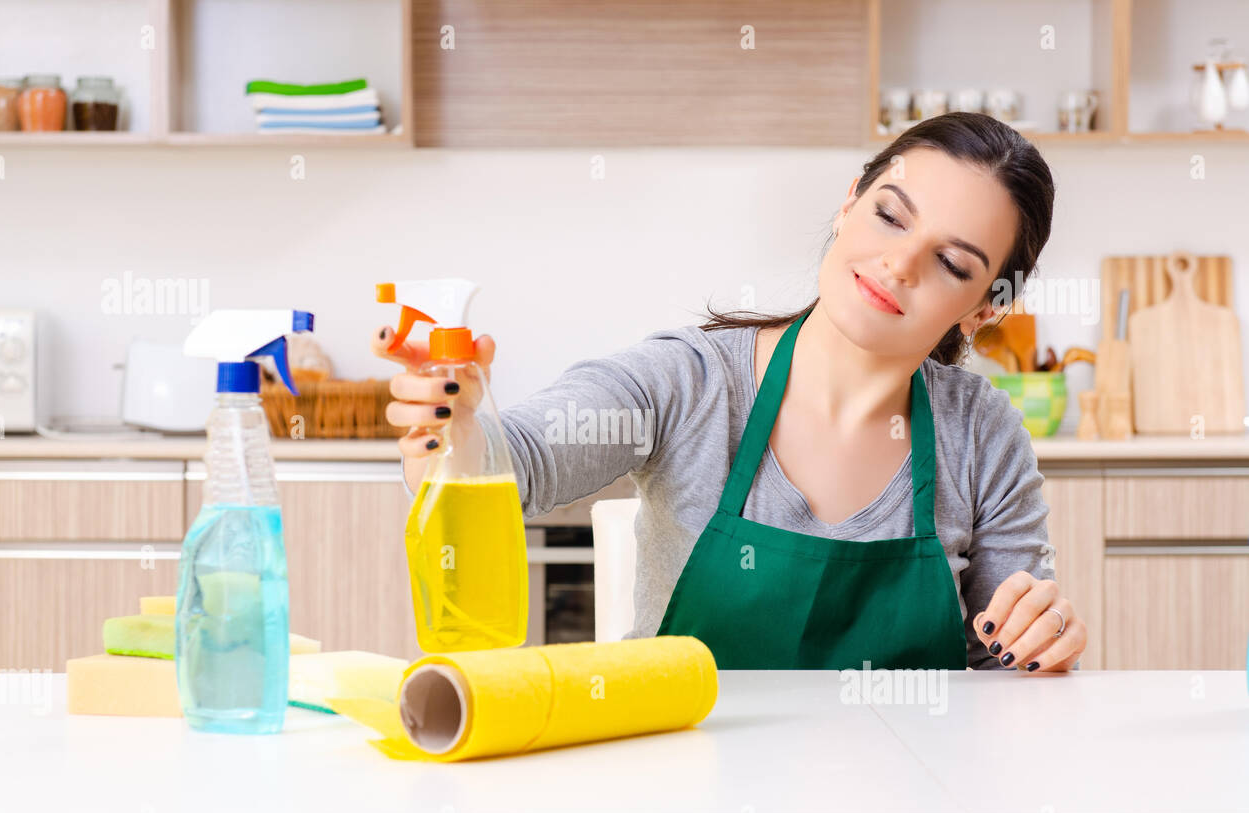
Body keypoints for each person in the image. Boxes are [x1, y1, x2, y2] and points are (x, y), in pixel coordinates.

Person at [375, 111, 1086, 673]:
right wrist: (456, 426)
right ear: (849, 205)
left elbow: (1006, 667)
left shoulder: (982, 433)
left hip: (901, 809)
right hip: (686, 800)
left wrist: (1043, 636)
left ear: (983, 309)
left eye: (951, 262)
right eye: (890, 215)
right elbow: (513, 463)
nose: (897, 262)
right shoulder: (690, 383)